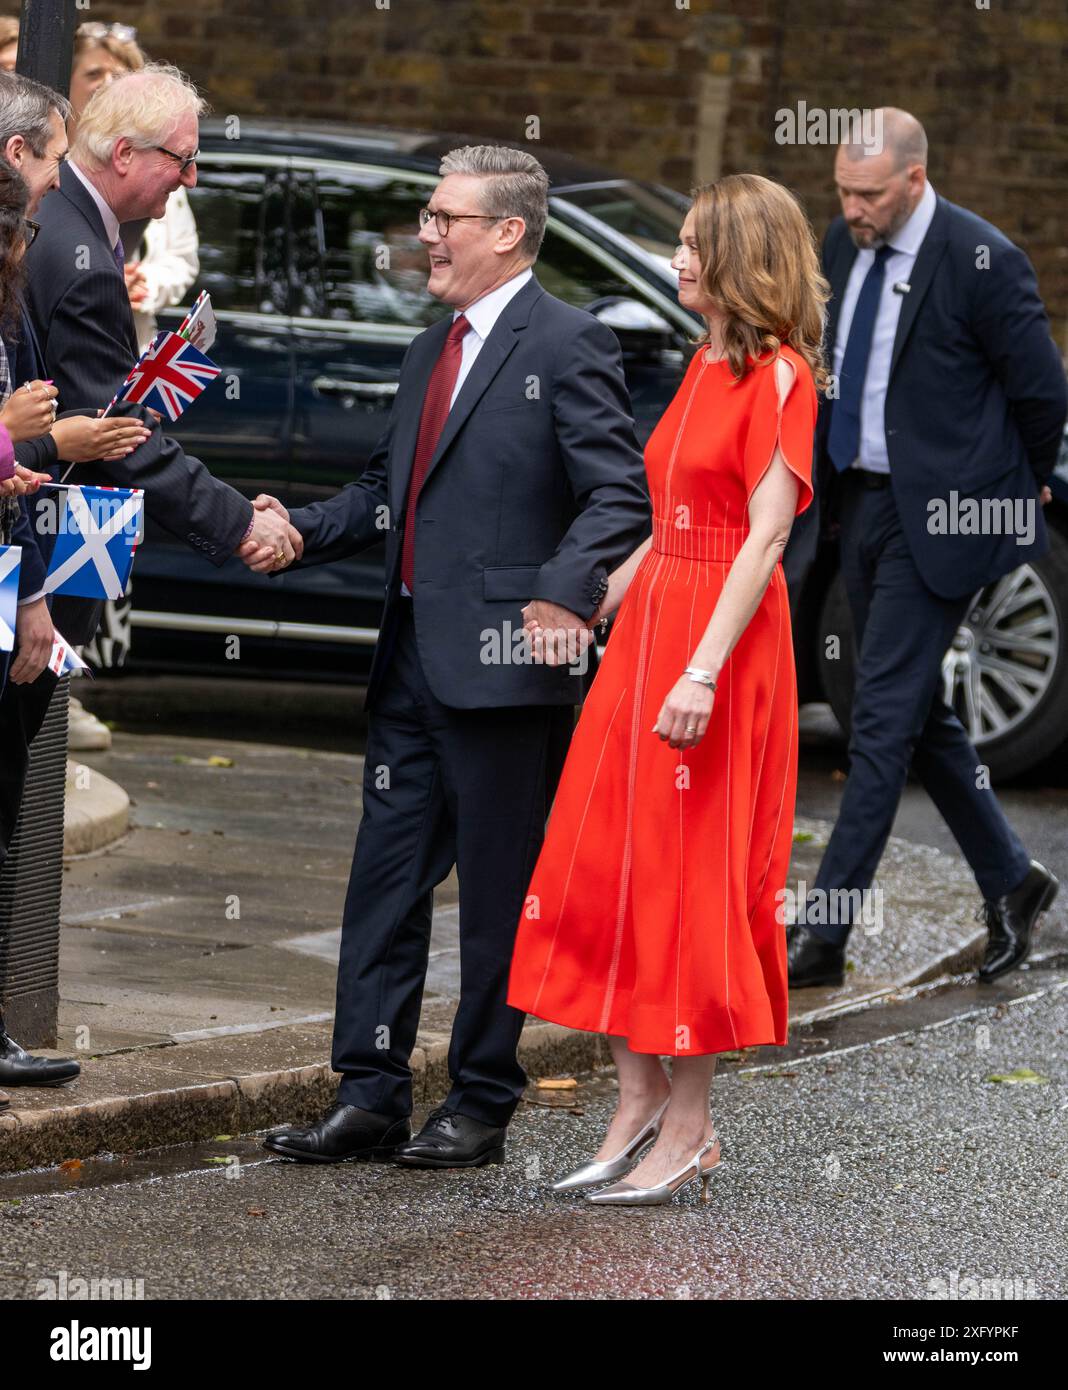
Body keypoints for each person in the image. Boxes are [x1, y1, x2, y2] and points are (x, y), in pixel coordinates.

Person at [256, 144, 651, 1168]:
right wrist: (296, 528)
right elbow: (388, 488)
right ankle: (371, 1091)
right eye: (430, 218)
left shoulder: (569, 343)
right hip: (408, 665)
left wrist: (563, 591)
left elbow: (618, 494)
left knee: (495, 900)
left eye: (445, 219)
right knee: (382, 888)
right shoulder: (428, 347)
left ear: (508, 231)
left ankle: (480, 1099)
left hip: (507, 672)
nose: (426, 234)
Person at [507, 174, 825, 1207]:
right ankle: (635, 1100)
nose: (676, 261)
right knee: (609, 860)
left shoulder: (781, 377)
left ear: (742, 256)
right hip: (656, 627)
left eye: (693, 247)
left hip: (721, 646)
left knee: (691, 874)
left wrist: (699, 667)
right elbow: (677, 518)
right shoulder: (702, 361)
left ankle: (690, 1123)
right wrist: (609, 595)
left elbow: (764, 536)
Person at [786, 108, 1065, 991]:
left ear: (915, 178)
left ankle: (824, 935)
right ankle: (1012, 881)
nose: (853, 208)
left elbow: (1041, 392)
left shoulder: (983, 258)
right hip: (860, 506)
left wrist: (1015, 488)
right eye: (843, 190)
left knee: (877, 725)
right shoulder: (842, 242)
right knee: (911, 712)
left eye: (868, 194)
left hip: (941, 520)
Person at [22, 61, 297, 659]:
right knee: (18, 742)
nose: (192, 180)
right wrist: (239, 522)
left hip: (44, 534)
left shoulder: (68, 221)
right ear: (124, 154)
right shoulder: (85, 260)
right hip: (43, 548)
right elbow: (118, 435)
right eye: (182, 159)